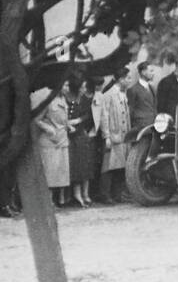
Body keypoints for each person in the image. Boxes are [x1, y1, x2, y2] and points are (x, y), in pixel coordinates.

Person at [94, 67, 133, 204]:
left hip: (123, 136)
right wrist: (107, 136)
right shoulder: (108, 95)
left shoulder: (123, 94)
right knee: (108, 166)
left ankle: (117, 194)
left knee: (120, 166)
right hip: (113, 136)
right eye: (128, 78)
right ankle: (104, 194)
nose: (129, 81)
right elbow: (104, 116)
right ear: (121, 79)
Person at [32, 86, 71, 209]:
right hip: (50, 141)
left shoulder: (64, 100)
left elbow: (64, 120)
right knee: (49, 173)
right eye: (65, 85)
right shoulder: (47, 99)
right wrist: (48, 128)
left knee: (59, 173)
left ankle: (57, 199)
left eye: (68, 85)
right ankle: (47, 201)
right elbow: (37, 119)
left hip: (62, 139)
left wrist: (69, 126)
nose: (67, 88)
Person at [65, 76, 98, 208]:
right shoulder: (68, 100)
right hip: (72, 136)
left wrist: (78, 122)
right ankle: (77, 194)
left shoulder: (85, 100)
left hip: (82, 134)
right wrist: (69, 124)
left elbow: (88, 116)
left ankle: (86, 193)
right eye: (83, 87)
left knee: (86, 165)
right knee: (77, 167)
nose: (85, 89)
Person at [128, 61, 158, 131]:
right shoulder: (133, 90)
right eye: (151, 71)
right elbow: (130, 112)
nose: (153, 73)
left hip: (153, 127)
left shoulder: (152, 88)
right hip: (140, 128)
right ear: (143, 72)